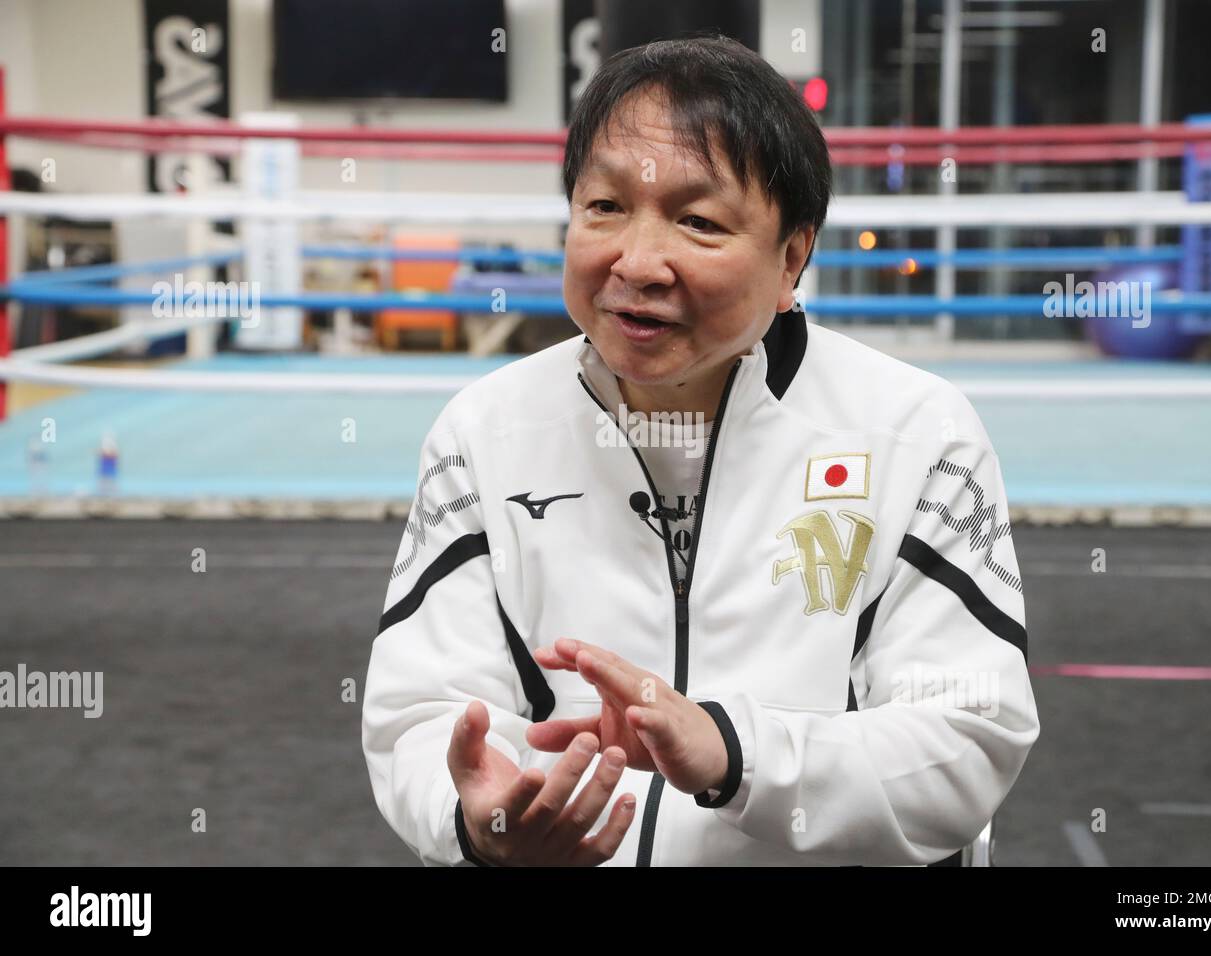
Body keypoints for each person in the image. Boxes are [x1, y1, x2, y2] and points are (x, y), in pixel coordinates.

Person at [362, 35, 1039, 866]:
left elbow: (968, 736)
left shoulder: (915, 434)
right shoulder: (485, 431)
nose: (638, 262)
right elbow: (420, 713)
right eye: (604, 207)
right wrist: (480, 820)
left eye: (699, 221)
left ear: (793, 257)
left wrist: (731, 754)